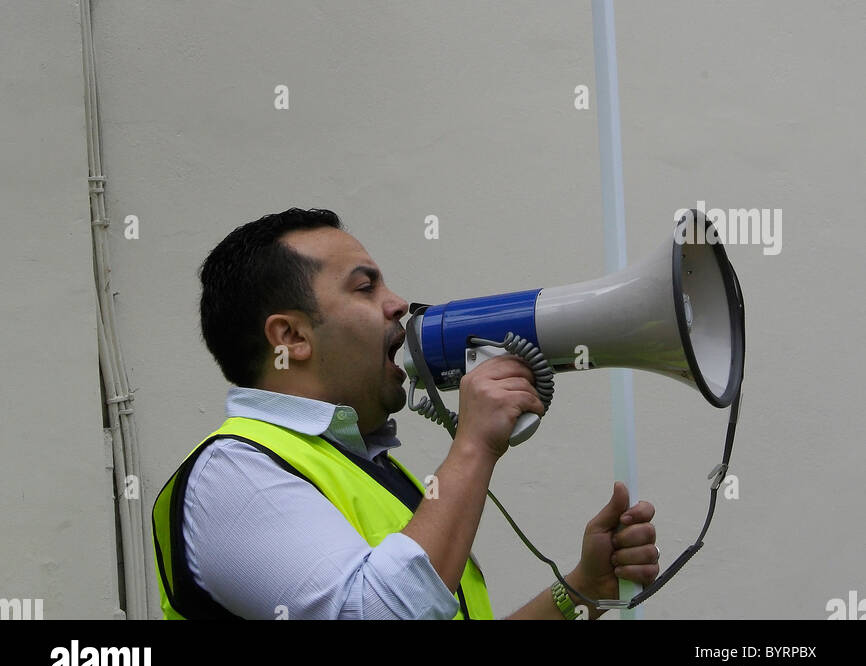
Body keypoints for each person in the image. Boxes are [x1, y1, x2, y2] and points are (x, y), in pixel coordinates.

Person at [152, 208, 660, 620]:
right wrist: (474, 445)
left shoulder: (371, 472)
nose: (398, 304)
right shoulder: (234, 473)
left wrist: (580, 592)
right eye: (364, 287)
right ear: (292, 338)